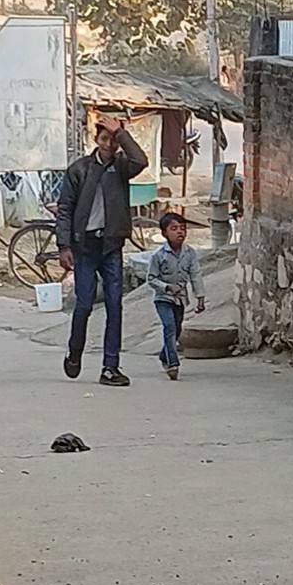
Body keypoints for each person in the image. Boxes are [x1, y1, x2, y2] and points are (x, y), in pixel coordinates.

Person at [56, 115, 149, 387]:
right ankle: (75, 351)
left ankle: (110, 366)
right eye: (104, 138)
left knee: (114, 305)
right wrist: (64, 245)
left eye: (113, 140)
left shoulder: (121, 167)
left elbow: (141, 161)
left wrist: (121, 133)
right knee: (84, 304)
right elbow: (65, 209)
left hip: (111, 245)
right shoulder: (79, 169)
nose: (109, 144)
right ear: (96, 139)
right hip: (85, 246)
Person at [146, 211, 206, 380]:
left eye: (182, 228)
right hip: (162, 299)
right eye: (174, 228)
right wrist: (166, 287)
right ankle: (173, 364)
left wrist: (200, 297)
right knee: (169, 327)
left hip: (180, 300)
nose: (180, 232)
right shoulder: (159, 255)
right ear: (164, 233)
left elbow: (195, 275)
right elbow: (151, 278)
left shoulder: (190, 253)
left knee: (177, 329)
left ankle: (164, 355)